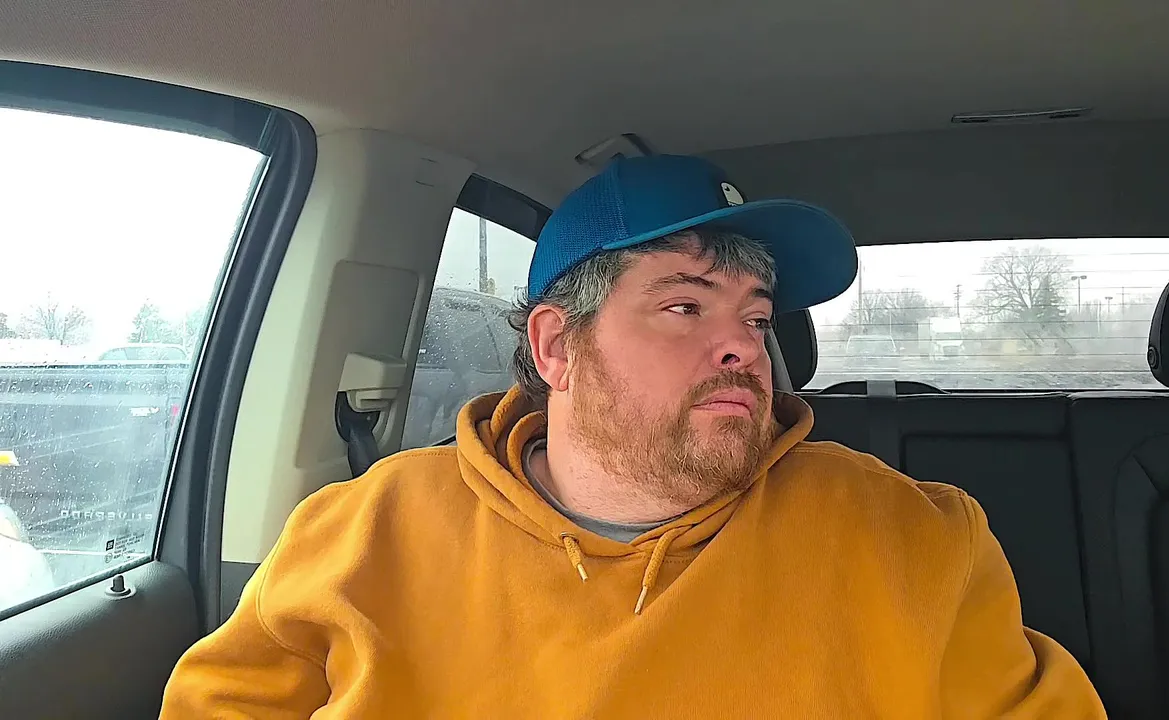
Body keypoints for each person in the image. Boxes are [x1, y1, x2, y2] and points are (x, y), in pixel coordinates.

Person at [159, 154, 1106, 717]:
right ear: (557, 347)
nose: (743, 345)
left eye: (756, 315)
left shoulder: (913, 537)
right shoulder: (360, 533)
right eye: (686, 305)